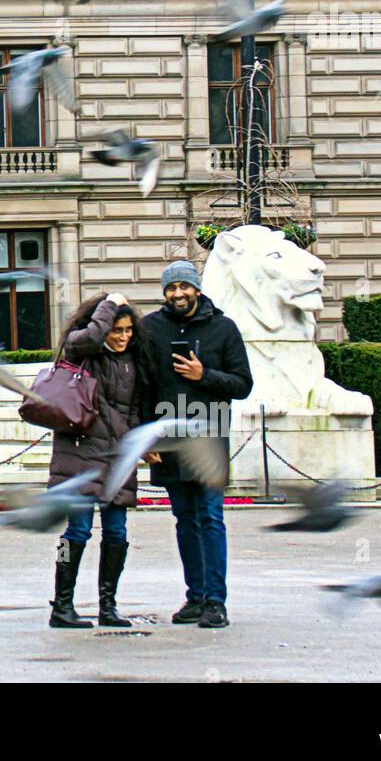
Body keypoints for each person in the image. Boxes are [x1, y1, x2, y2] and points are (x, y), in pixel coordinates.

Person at [141, 260, 252, 630]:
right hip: (169, 438)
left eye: (184, 287)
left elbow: (242, 385)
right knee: (185, 521)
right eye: (171, 289)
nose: (177, 294)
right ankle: (195, 596)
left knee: (210, 518)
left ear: (197, 290)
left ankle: (215, 601)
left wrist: (204, 375)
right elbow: (141, 387)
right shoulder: (150, 328)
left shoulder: (223, 328)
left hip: (209, 437)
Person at [47, 292, 161, 629]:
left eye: (128, 330)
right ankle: (62, 604)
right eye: (116, 330)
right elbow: (90, 337)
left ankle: (108, 604)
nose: (123, 337)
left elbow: (136, 409)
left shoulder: (134, 360)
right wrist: (109, 305)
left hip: (118, 456)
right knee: (76, 532)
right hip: (80, 454)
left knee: (117, 532)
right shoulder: (82, 351)